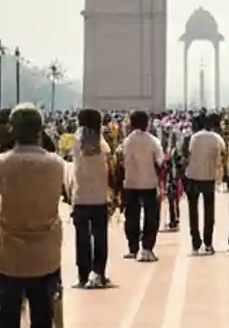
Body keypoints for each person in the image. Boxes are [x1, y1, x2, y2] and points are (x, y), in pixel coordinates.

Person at [0, 104, 66, 328]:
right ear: (40, 130)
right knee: (43, 324)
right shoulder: (56, 164)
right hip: (46, 257)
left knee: (7, 324)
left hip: (9, 257)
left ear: (12, 130)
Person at [70, 108, 114, 289]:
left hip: (80, 196)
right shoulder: (103, 143)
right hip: (99, 197)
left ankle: (83, 275)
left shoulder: (75, 141)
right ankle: (99, 274)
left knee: (82, 239)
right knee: (100, 238)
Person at [120, 109, 164, 263]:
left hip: (130, 183)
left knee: (131, 216)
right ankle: (147, 249)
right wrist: (161, 183)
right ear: (147, 123)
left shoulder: (126, 142)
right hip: (149, 183)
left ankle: (133, 248)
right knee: (151, 217)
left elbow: (120, 163)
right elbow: (160, 163)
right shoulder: (153, 141)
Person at [186, 113, 226, 255]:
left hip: (193, 177)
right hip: (209, 177)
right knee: (209, 212)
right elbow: (224, 153)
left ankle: (195, 242)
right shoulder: (217, 138)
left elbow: (188, 154)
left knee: (193, 211)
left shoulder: (193, 138)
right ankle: (208, 243)